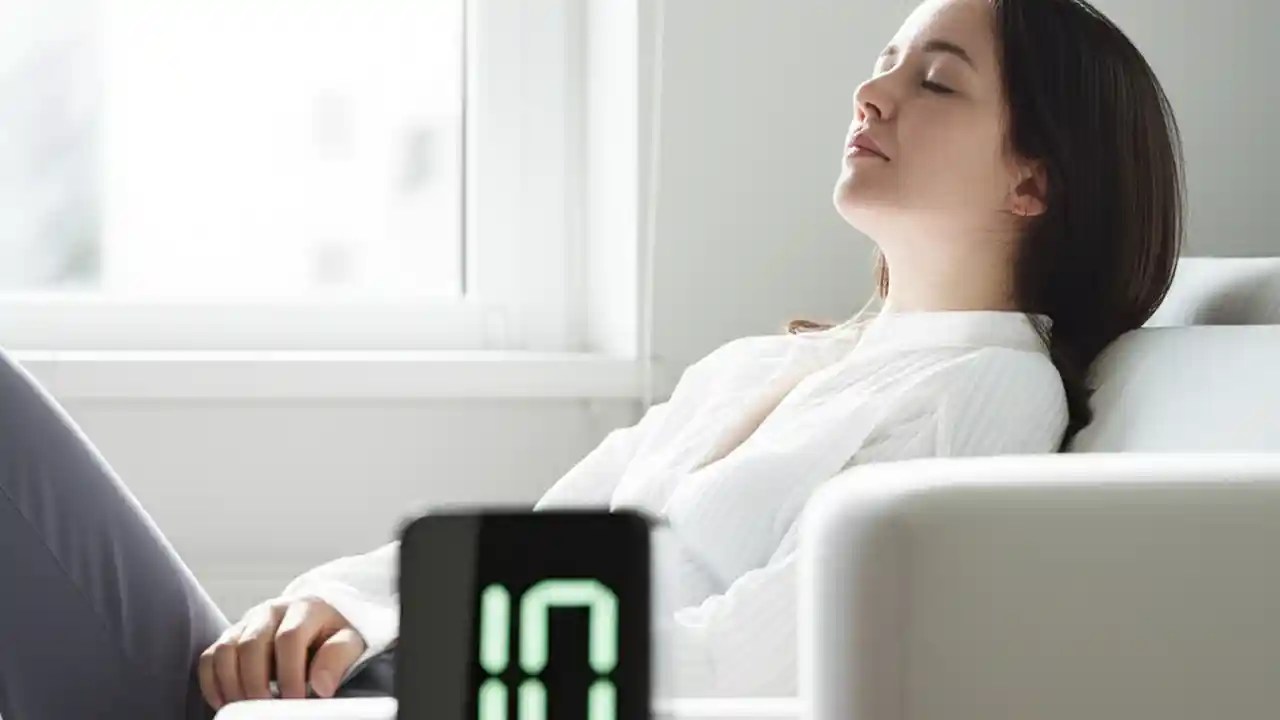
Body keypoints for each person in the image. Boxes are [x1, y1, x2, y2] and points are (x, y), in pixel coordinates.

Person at [0, 0, 1184, 717]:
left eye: (934, 79)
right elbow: (528, 534)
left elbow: (750, 675)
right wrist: (334, 605)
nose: (871, 90)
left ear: (1034, 182)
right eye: (885, 57)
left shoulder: (978, 396)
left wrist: (414, 658)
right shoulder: (759, 368)